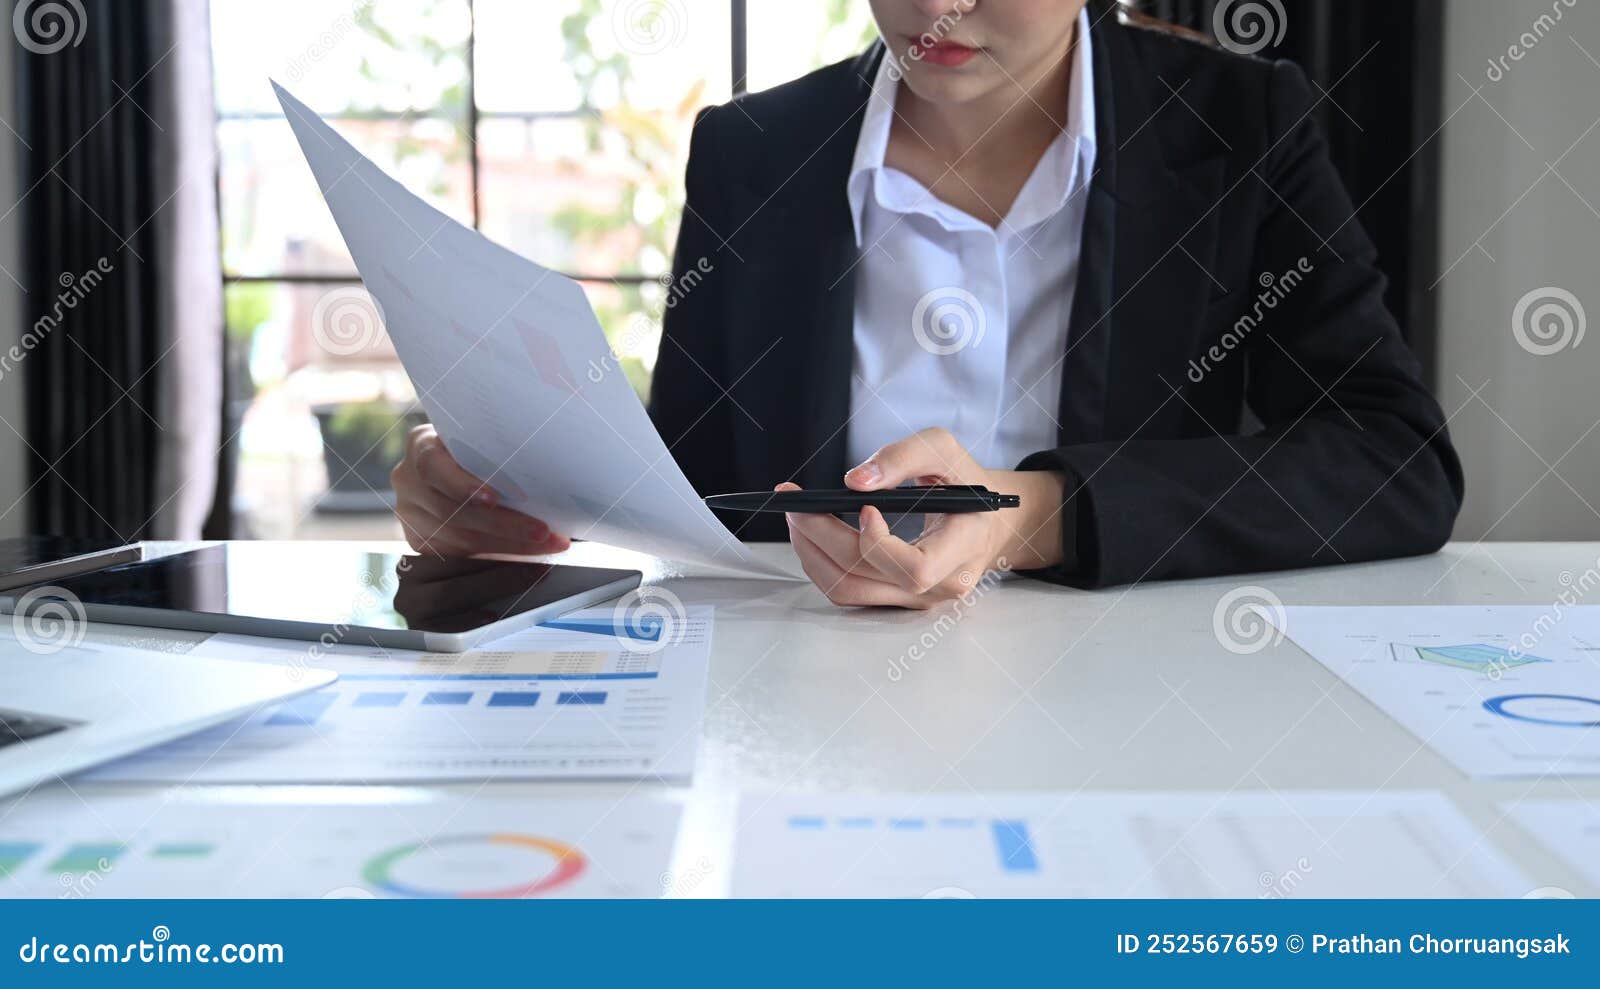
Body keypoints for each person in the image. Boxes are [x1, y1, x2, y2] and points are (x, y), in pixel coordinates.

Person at [390, 0, 1463, 609]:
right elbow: (699, 492)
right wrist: (520, 490)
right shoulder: (754, 151)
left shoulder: (1242, 125)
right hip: (806, 722)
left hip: (1128, 708)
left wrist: (1034, 517)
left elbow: (1397, 462)